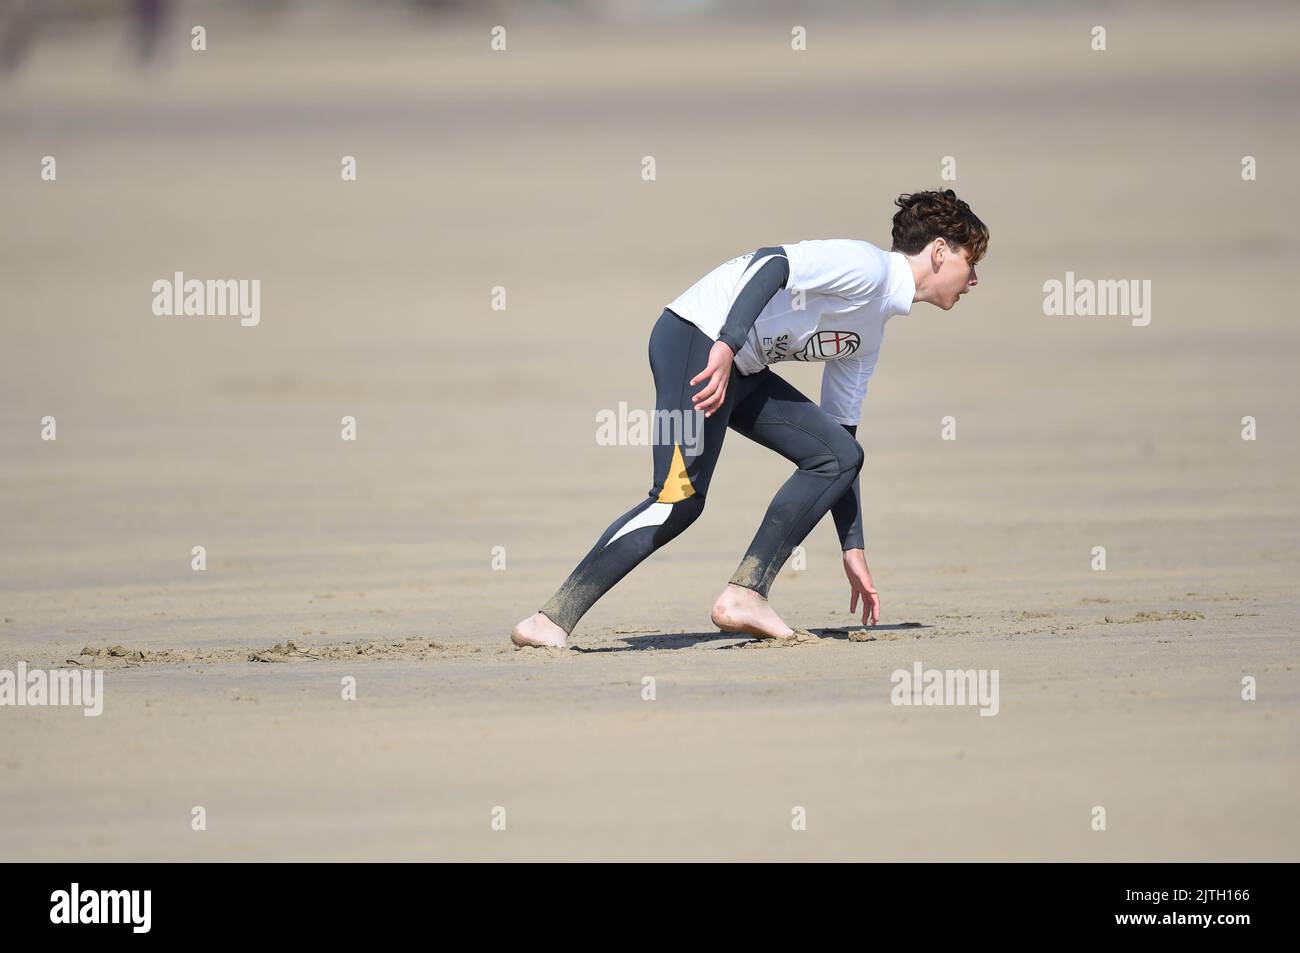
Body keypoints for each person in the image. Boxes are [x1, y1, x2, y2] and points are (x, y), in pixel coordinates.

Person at [512, 189, 988, 648]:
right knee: (677, 500)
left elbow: (841, 443)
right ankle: (549, 621)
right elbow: (772, 263)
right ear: (940, 251)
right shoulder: (867, 267)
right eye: (972, 262)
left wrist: (852, 543)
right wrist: (726, 341)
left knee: (838, 455)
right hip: (695, 338)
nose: (974, 280)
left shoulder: (870, 332)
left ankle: (746, 593)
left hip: (741, 367)